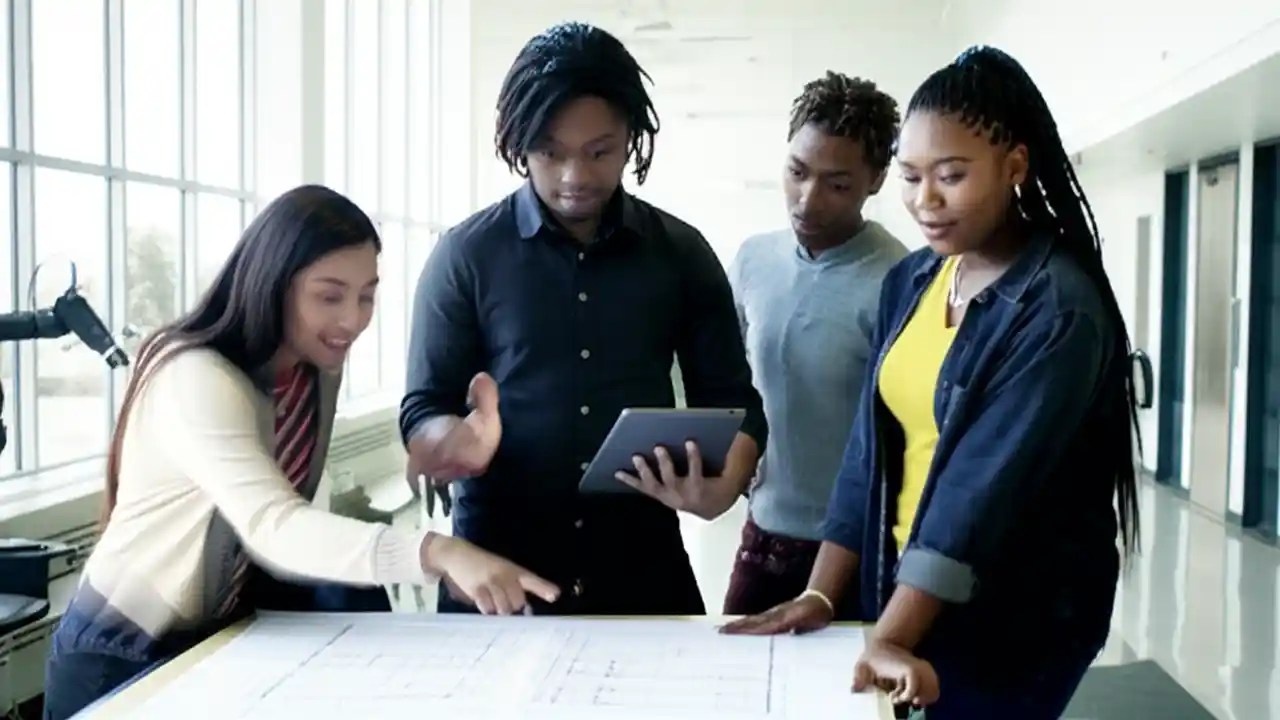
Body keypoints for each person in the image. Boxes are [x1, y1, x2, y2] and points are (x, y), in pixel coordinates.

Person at [721, 46, 1141, 718]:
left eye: (951, 176)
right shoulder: (914, 280)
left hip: (1017, 614)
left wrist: (889, 634)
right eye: (913, 179)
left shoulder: (1057, 307)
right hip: (910, 589)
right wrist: (823, 595)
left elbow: (978, 492)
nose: (926, 201)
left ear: (1014, 167)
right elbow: (867, 455)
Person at [42, 185, 558, 720]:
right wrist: (439, 552)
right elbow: (273, 524)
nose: (353, 319)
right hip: (121, 652)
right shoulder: (195, 374)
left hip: (217, 636)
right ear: (273, 284)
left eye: (367, 295)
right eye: (329, 295)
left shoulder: (314, 372)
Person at [401, 22, 767, 617]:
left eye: (600, 152)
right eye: (551, 152)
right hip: (498, 576)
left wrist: (723, 488)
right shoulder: (464, 255)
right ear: (520, 144)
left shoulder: (681, 252)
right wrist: (454, 442)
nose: (576, 177)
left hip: (642, 568)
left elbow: (736, 401)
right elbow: (422, 411)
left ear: (632, 138)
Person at [722, 71, 907, 617]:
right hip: (762, 537)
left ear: (875, 180)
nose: (807, 199)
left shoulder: (902, 280)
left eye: (837, 184)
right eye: (797, 172)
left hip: (861, 552)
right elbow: (728, 391)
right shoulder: (753, 261)